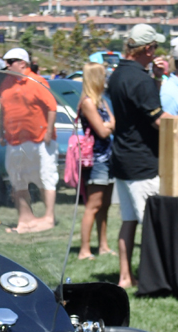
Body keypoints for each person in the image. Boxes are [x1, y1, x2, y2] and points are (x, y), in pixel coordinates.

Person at [108, 23, 167, 288]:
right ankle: (150, 278)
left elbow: (138, 109)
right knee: (152, 225)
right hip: (141, 160)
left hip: (122, 156)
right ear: (147, 49)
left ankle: (124, 276)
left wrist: (156, 79)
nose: (155, 53)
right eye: (154, 48)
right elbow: (157, 120)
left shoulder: (118, 74)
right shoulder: (139, 80)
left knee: (129, 220)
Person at [0, 47, 58, 232]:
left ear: (22, 63)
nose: (6, 66)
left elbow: (52, 106)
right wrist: (1, 132)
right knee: (17, 178)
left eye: (10, 62)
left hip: (40, 139)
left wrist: (48, 131)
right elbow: (3, 110)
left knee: (47, 175)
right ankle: (25, 219)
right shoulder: (6, 84)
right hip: (14, 141)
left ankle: (48, 217)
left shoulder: (37, 82)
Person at [77, 62, 115, 259]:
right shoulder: (88, 102)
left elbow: (112, 122)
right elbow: (102, 130)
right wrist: (109, 126)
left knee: (105, 205)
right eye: (103, 74)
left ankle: (103, 246)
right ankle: (84, 249)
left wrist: (109, 125)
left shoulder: (102, 101)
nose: (106, 78)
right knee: (93, 205)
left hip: (108, 157)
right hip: (96, 160)